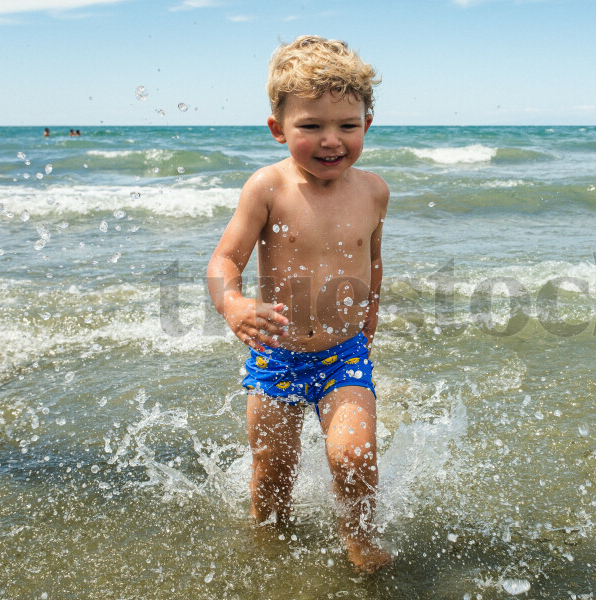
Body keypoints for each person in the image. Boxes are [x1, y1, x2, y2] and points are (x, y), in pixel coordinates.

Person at [207, 35, 391, 573]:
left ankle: (359, 539)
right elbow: (223, 262)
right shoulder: (268, 187)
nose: (330, 140)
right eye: (310, 126)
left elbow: (372, 261)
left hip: (345, 354)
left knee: (354, 456)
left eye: (346, 126)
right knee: (271, 474)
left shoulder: (375, 191)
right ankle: (268, 550)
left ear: (367, 124)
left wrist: (370, 319)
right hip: (277, 356)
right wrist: (233, 305)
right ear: (278, 129)